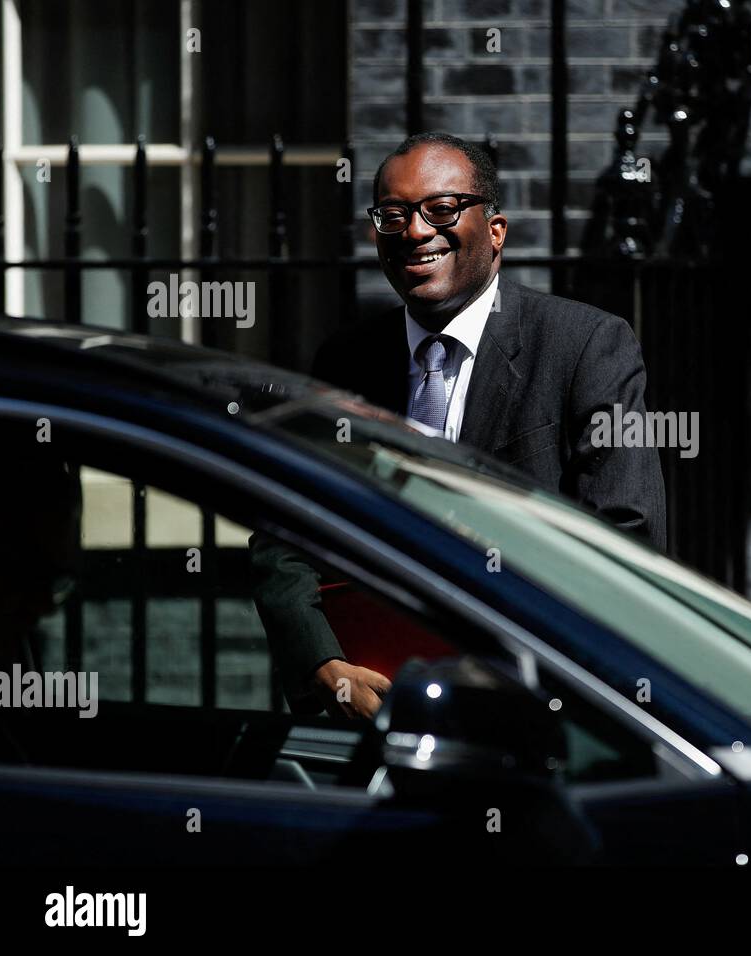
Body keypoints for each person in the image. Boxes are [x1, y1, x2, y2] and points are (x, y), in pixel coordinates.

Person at [251, 132, 666, 718]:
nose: (416, 231)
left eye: (441, 209)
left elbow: (626, 535)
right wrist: (322, 664)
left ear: (495, 232)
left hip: (533, 712)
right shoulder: (344, 362)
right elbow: (285, 535)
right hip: (376, 712)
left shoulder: (585, 347)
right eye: (392, 216)